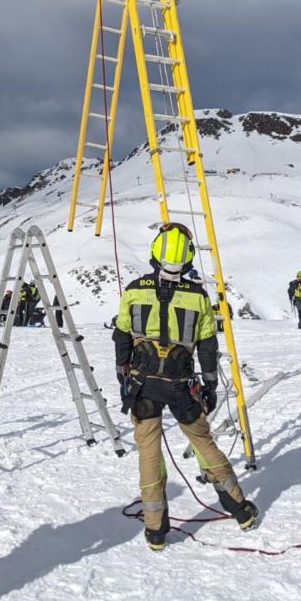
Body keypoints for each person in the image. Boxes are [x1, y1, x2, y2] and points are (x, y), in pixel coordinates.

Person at [114, 223, 258, 550]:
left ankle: (155, 531)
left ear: (155, 251)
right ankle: (240, 509)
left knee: (148, 451)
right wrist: (209, 386)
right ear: (189, 256)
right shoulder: (197, 297)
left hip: (142, 384)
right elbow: (207, 348)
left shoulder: (135, 290)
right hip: (180, 385)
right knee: (204, 443)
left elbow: (122, 336)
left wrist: (124, 377)